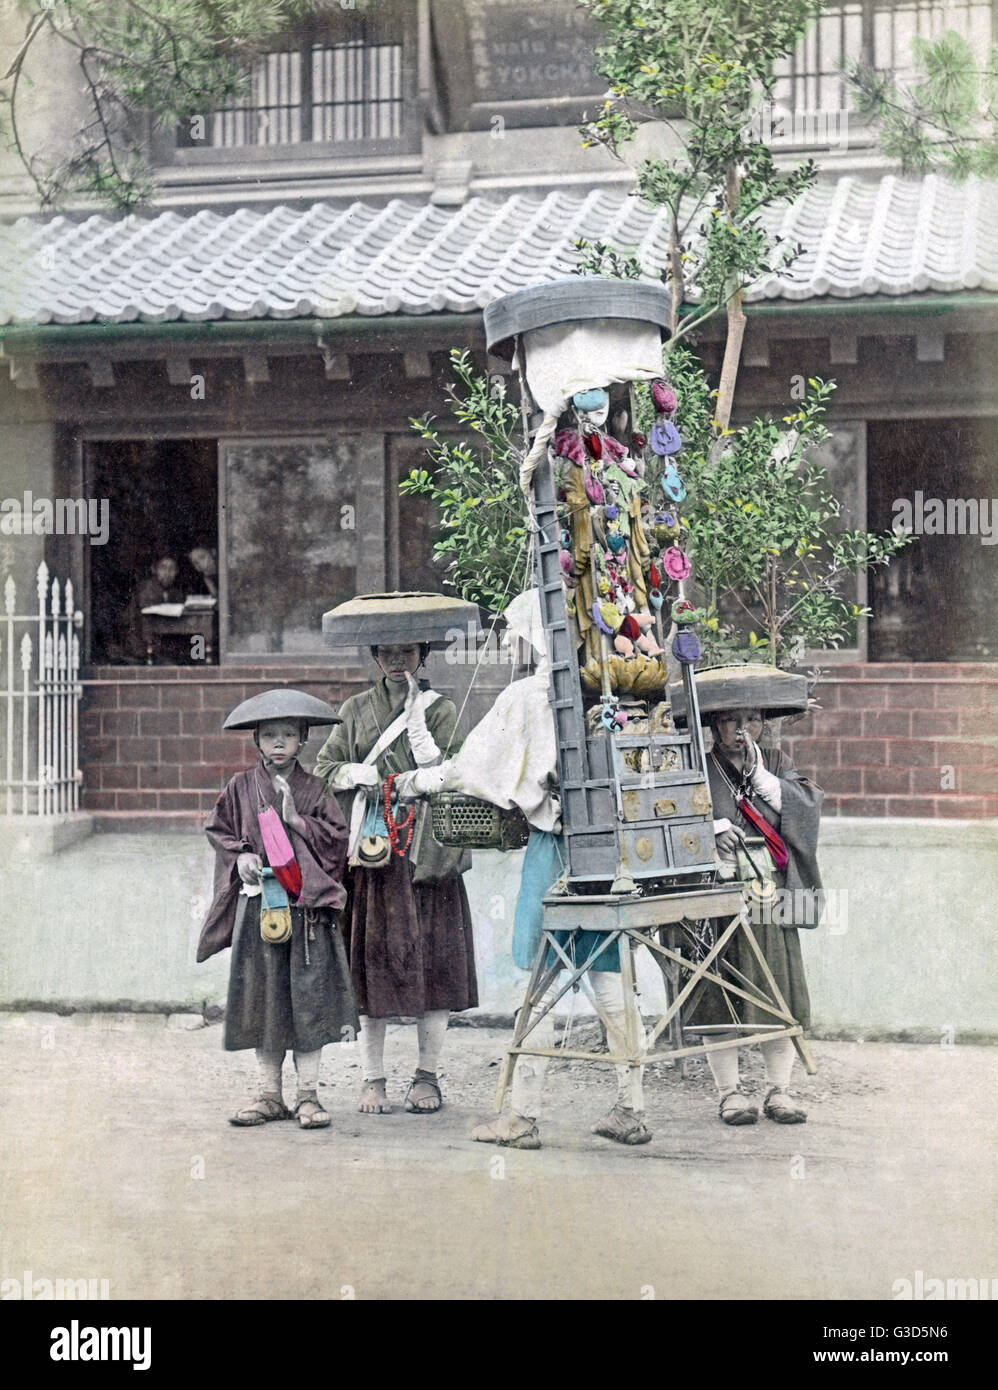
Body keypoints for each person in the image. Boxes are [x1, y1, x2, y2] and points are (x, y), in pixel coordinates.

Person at [397, 591, 650, 1149]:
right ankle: (630, 1106)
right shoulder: (613, 690)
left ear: (536, 635)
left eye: (518, 632)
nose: (513, 642)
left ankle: (522, 1115)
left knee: (537, 981)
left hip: (554, 848)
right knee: (608, 980)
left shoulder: (529, 695)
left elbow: (469, 770)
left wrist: (416, 782)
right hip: (606, 852)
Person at [313, 642, 478, 1116]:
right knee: (372, 966)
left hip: (429, 854)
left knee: (435, 966)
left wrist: (422, 772)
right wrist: (352, 772)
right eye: (387, 652)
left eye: (407, 651)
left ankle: (427, 1076)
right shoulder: (356, 709)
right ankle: (373, 1078)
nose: (397, 660)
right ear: (376, 656)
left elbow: (458, 771)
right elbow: (324, 769)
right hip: (373, 852)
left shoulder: (441, 709)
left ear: (422, 654)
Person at [197, 689, 358, 1130]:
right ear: (257, 742)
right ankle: (270, 1093)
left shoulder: (315, 789)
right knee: (263, 1000)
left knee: (308, 1001)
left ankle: (308, 1097)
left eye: (289, 734)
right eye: (270, 736)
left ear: (304, 739)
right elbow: (220, 831)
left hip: (306, 911)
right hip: (261, 911)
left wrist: (295, 819)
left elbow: (337, 843)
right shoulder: (240, 787)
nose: (279, 743)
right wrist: (241, 857)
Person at [687, 675, 824, 1126]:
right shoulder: (698, 766)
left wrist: (767, 783)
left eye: (750, 719)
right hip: (716, 892)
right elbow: (676, 816)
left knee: (776, 987)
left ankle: (778, 1091)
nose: (740, 728)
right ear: (714, 726)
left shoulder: (779, 763)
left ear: (763, 723)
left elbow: (806, 807)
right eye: (729, 720)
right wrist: (711, 830)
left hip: (769, 891)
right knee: (716, 988)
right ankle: (729, 1093)